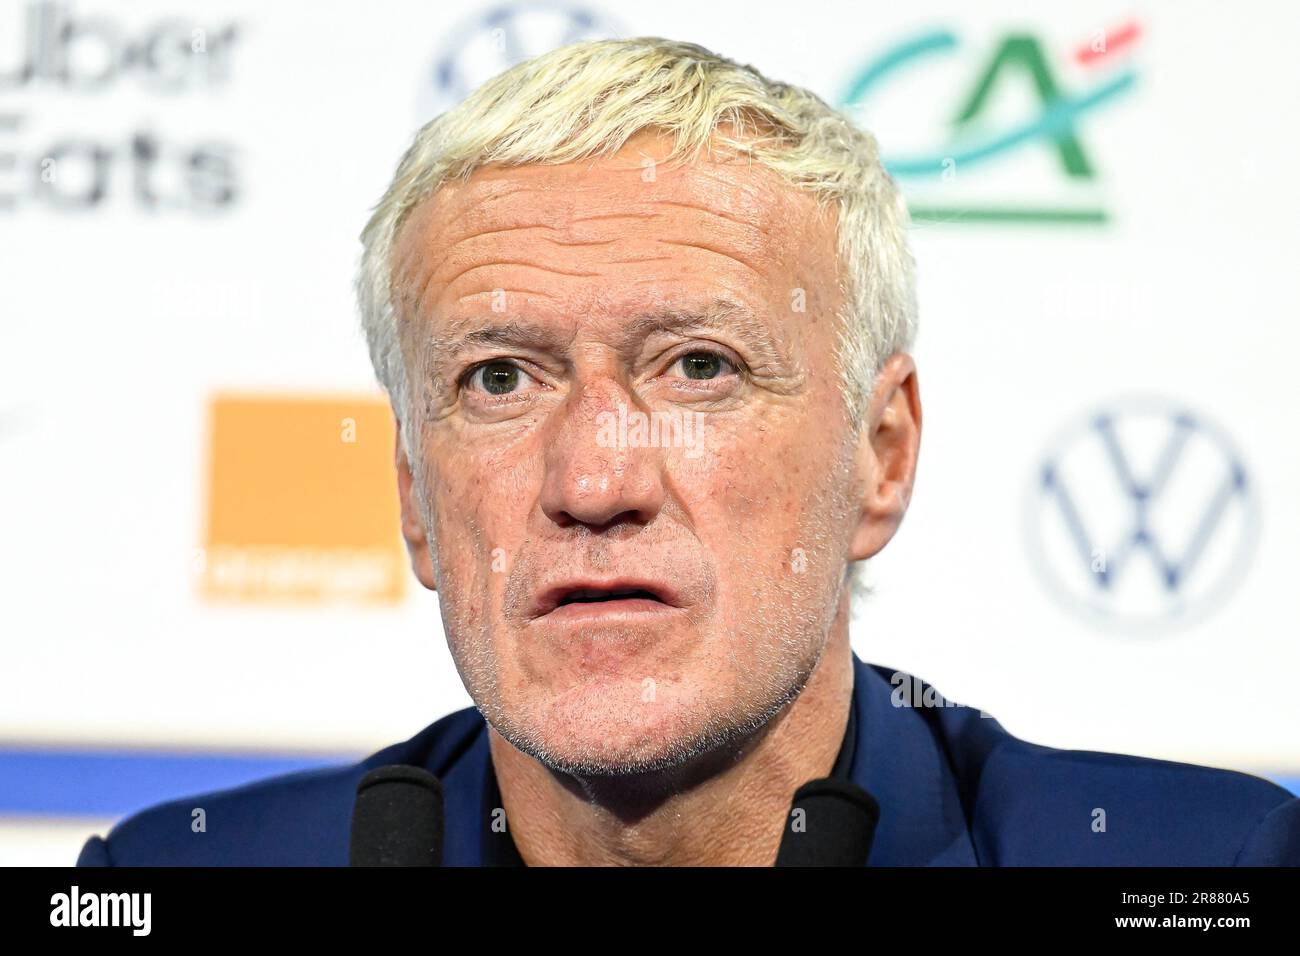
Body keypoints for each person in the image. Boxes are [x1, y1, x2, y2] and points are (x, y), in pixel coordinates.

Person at [77, 37, 1299, 866]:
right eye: (499, 378)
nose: (595, 482)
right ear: (414, 497)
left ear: (881, 454)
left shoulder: (1197, 867)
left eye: (698, 367)